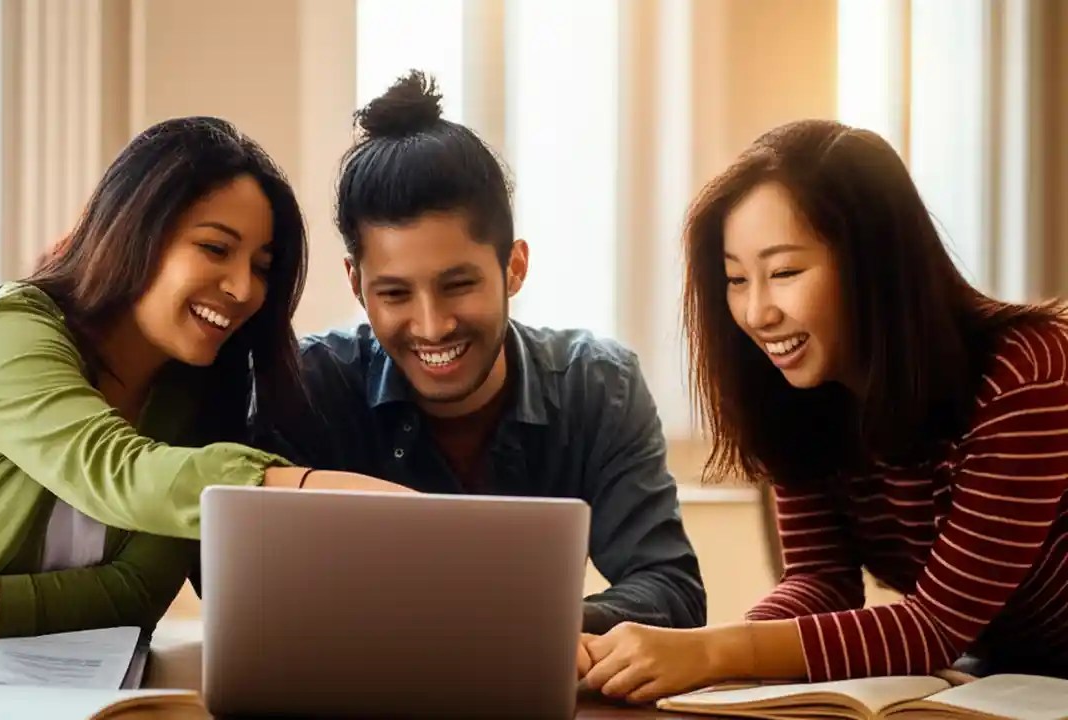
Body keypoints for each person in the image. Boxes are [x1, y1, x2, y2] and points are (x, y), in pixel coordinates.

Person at [0, 116, 407, 638]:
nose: (244, 288)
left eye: (262, 267)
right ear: (138, 231)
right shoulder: (8, 332)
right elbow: (115, 472)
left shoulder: (196, 392)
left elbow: (131, 594)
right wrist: (298, 487)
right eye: (215, 249)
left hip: (57, 684)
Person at [576, 118, 1068, 704]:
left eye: (784, 272)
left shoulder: (1027, 370)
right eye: (736, 279)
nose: (757, 312)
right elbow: (819, 583)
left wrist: (709, 650)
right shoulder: (801, 394)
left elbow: (937, 624)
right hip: (1008, 679)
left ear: (876, 264)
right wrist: (694, 659)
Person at [261, 71, 706, 636]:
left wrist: (517, 629)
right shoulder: (307, 386)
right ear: (356, 284)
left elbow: (669, 589)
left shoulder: (599, 384)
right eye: (395, 293)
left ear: (514, 267)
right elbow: (251, 587)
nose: (431, 326)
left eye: (458, 285)